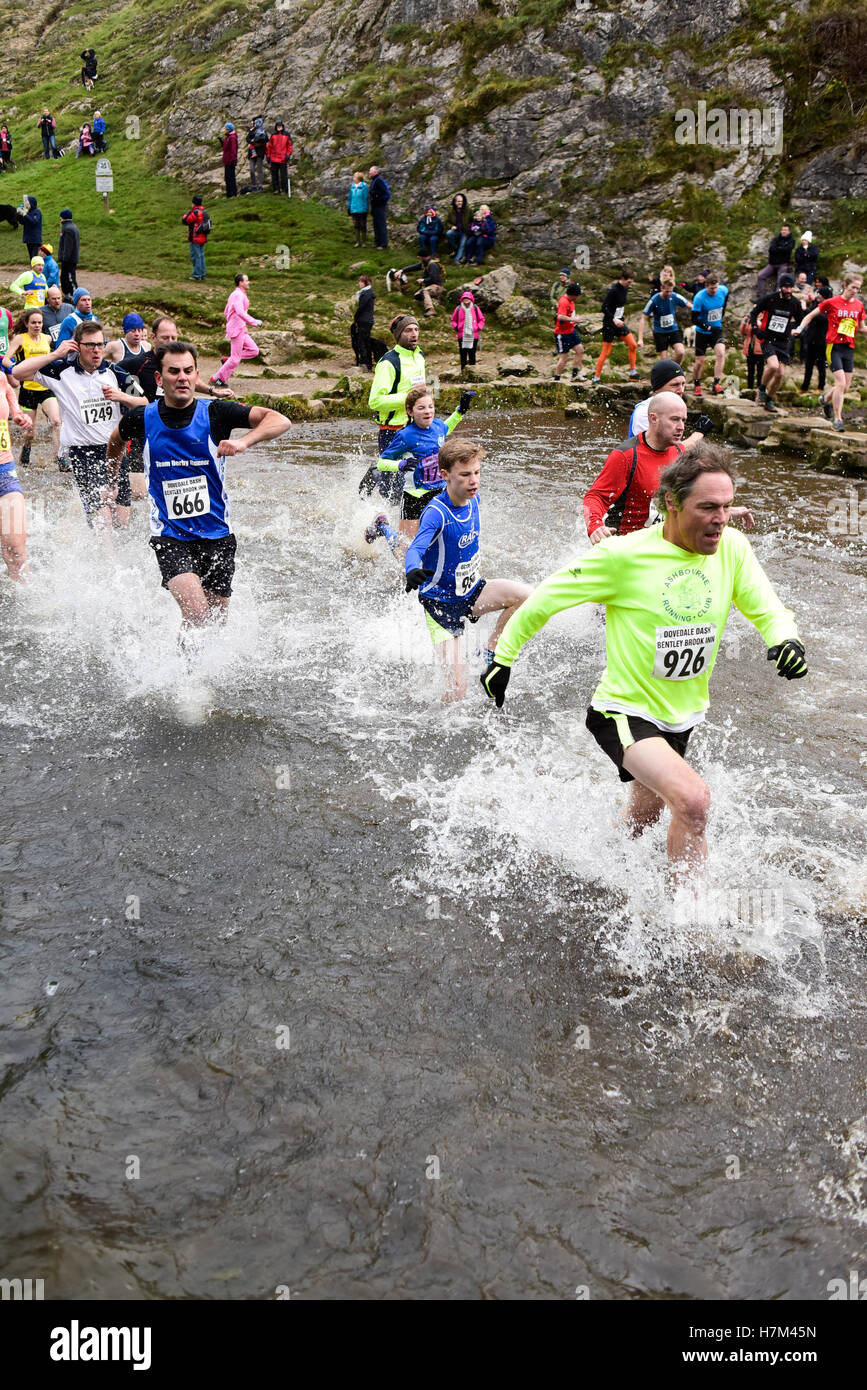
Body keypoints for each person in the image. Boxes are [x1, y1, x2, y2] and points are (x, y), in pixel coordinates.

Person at [481, 444, 807, 880]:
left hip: (682, 714)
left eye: (727, 506)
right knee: (693, 801)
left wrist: (785, 639)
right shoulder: (623, 556)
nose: (721, 519)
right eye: (708, 507)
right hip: (623, 710)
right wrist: (503, 658)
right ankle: (687, 924)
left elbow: (766, 607)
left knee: (643, 820)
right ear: (671, 503)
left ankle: (592, 872)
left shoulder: (732, 548)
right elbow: (544, 600)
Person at [107, 341, 291, 640]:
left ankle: (194, 671)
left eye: (188, 371)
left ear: (195, 376)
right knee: (197, 614)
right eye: (174, 371)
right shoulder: (140, 418)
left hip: (217, 534)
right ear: (159, 378)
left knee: (215, 623)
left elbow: (279, 420)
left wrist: (244, 442)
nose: (182, 377)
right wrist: (113, 479)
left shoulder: (217, 412)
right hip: (170, 535)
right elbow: (115, 442)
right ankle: (188, 686)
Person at [400, 437, 530, 703]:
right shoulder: (436, 512)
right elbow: (415, 548)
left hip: (472, 592)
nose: (474, 481)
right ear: (445, 475)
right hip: (440, 606)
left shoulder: (473, 500)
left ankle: (490, 650)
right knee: (457, 692)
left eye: (477, 473)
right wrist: (412, 568)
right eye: (465, 475)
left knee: (527, 597)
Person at [12, 321, 141, 532]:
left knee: (122, 521)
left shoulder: (115, 373)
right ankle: (104, 561)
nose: (97, 350)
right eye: (90, 345)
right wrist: (55, 354)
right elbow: (17, 372)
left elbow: (146, 402)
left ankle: (119, 562)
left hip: (115, 452)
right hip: (84, 453)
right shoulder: (61, 370)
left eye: (101, 344)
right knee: (103, 521)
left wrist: (122, 396)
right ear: (77, 346)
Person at [367, 385, 476, 544]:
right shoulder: (405, 435)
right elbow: (382, 463)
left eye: (431, 407)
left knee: (441, 541)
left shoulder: (437, 425)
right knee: (406, 549)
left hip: (440, 491)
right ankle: (382, 525)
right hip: (414, 495)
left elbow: (445, 429)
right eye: (421, 408)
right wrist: (401, 464)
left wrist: (460, 411)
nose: (428, 411)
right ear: (410, 411)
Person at [793, 272, 867, 431]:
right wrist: (799, 328)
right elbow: (811, 315)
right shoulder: (832, 302)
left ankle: (825, 399)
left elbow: (861, 328)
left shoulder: (859, 306)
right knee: (840, 383)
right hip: (833, 347)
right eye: (853, 287)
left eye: (858, 288)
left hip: (849, 348)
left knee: (846, 387)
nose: (855, 291)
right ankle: (838, 419)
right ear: (845, 286)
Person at [366, 313, 426, 480]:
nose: (414, 334)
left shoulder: (420, 356)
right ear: (399, 335)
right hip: (391, 431)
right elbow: (375, 401)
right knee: (391, 490)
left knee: (419, 478)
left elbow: (419, 389)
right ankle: (375, 474)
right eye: (408, 330)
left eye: (416, 329)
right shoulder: (388, 363)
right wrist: (409, 397)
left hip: (415, 427)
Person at [2, 306, 62, 467]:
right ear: (27, 324)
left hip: (46, 387)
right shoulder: (20, 339)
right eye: (33, 323)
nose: (37, 326)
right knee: (30, 432)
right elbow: (6, 359)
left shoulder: (47, 339)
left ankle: (61, 457)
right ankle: (26, 451)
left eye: (40, 323)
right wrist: (15, 367)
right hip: (28, 389)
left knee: (56, 421)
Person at [104, 312, 151, 499]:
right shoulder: (116, 346)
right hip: (122, 403)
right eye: (133, 330)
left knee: (141, 442)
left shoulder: (147, 347)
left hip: (141, 402)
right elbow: (99, 360)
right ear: (125, 331)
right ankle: (117, 475)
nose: (137, 334)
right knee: (122, 440)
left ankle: (137, 479)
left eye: (140, 330)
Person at [749, 273, 803, 412]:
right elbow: (754, 312)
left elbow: (800, 321)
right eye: (786, 287)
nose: (788, 290)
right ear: (781, 287)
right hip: (767, 338)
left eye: (791, 288)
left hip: (783, 341)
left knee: (780, 375)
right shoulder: (770, 299)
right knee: (773, 366)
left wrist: (796, 330)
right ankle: (761, 389)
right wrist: (755, 328)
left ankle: (769, 399)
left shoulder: (795, 303)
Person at [0, 373, 33, 580]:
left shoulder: (1, 377)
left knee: (17, 552)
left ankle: (27, 606)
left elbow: (10, 395)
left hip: (4, 470)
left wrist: (18, 414)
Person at [210, 273, 261, 388]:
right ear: (240, 283)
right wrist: (254, 322)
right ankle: (216, 379)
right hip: (237, 329)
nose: (249, 282)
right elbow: (239, 311)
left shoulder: (238, 294)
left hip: (241, 328)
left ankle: (228, 360)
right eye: (247, 280)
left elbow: (226, 310)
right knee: (235, 359)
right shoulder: (237, 295)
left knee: (254, 350)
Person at [593, 270, 639, 383]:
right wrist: (613, 318)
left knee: (633, 344)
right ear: (622, 279)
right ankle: (596, 378)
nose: (630, 285)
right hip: (610, 323)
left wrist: (619, 319)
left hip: (620, 322)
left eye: (631, 283)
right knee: (606, 351)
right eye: (628, 282)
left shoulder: (625, 288)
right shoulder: (613, 290)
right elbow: (604, 307)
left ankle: (633, 373)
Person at [691, 272, 729, 396]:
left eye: (716, 287)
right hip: (702, 331)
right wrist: (707, 326)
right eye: (712, 288)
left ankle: (716, 383)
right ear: (706, 286)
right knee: (699, 361)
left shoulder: (723, 290)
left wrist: (720, 317)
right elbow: (694, 319)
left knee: (721, 353)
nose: (714, 290)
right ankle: (697, 384)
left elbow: (725, 299)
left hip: (716, 329)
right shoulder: (699, 298)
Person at [638, 279, 692, 365]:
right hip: (660, 332)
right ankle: (668, 371)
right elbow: (643, 318)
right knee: (664, 361)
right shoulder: (654, 300)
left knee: (681, 352)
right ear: (661, 288)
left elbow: (690, 305)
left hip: (673, 330)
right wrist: (640, 339)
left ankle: (674, 370)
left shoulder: (674, 296)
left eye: (670, 291)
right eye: (667, 291)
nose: (669, 294)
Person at [798, 286, 829, 396]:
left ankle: (821, 387)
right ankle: (804, 387)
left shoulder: (829, 306)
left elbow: (820, 318)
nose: (817, 295)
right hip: (811, 340)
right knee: (809, 364)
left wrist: (805, 308)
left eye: (819, 294)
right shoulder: (816, 304)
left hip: (822, 341)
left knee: (821, 365)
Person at [553, 280, 585, 381]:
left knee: (580, 350)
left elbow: (570, 314)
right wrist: (573, 319)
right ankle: (556, 379)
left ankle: (574, 375)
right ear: (573, 295)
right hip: (562, 334)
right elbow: (560, 316)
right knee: (564, 357)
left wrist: (575, 318)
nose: (578, 297)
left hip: (571, 331)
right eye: (577, 295)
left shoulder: (571, 301)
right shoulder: (563, 302)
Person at [756, 224, 795, 298]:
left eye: (785, 230)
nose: (783, 231)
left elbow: (787, 250)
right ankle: (760, 295)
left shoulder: (791, 241)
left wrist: (779, 249)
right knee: (760, 276)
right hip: (772, 264)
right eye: (782, 230)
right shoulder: (776, 239)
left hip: (783, 264)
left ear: (789, 231)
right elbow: (771, 249)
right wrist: (781, 249)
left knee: (780, 280)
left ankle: (777, 296)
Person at [451, 290, 485, 373]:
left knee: (472, 354)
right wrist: (456, 327)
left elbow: (481, 319)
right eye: (464, 299)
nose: (466, 301)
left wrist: (478, 327)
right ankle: (463, 372)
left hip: (473, 335)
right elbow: (453, 319)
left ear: (471, 300)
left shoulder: (475, 308)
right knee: (463, 355)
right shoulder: (458, 308)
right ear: (462, 300)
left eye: (468, 299)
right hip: (462, 335)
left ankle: (473, 372)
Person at [182, 196, 209, 281]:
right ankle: (202, 274)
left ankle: (196, 275)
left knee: (195, 256)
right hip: (203, 237)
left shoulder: (195, 212)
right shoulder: (204, 211)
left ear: (194, 203)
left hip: (195, 237)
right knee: (201, 256)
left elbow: (185, 220)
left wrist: (187, 213)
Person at [351, 275, 375, 370]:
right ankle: (367, 362)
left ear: (365, 283)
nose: (359, 283)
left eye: (361, 282)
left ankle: (364, 362)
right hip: (367, 320)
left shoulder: (366, 293)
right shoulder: (368, 293)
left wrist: (355, 316)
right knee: (365, 340)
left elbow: (361, 307)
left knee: (362, 341)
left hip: (364, 320)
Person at [58, 210, 80, 298]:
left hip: (68, 260)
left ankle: (76, 297)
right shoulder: (71, 227)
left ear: (63, 217)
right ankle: (68, 297)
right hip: (69, 259)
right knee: (64, 278)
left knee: (70, 279)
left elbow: (68, 245)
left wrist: (64, 258)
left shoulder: (67, 229)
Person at [266, 121, 292, 195]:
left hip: (283, 159)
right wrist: (268, 155)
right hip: (274, 158)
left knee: (284, 175)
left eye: (280, 126)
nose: (279, 127)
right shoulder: (273, 135)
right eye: (278, 126)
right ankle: (276, 189)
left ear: (282, 126)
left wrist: (288, 155)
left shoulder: (286, 135)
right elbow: (269, 146)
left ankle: (284, 189)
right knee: (274, 175)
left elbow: (289, 146)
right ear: (276, 127)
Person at [369, 167, 390, 249]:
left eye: (370, 171)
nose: (369, 172)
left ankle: (383, 244)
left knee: (381, 224)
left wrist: (374, 194)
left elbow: (383, 191)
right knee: (376, 224)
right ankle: (377, 242)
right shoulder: (375, 180)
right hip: (375, 206)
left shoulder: (378, 180)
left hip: (379, 206)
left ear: (375, 172)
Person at [446, 193, 469, 263]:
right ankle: (455, 248)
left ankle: (457, 260)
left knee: (462, 245)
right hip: (455, 231)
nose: (460, 203)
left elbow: (472, 221)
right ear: (455, 202)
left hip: (465, 232)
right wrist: (451, 226)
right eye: (458, 201)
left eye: (461, 201)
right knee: (448, 233)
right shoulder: (451, 212)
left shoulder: (468, 210)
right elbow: (447, 222)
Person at [246, 117, 268, 191]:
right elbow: (247, 139)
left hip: (260, 152)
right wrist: (253, 141)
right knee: (251, 169)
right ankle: (254, 185)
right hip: (252, 153)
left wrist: (260, 140)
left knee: (259, 169)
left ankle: (260, 185)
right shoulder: (252, 130)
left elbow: (266, 139)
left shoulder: (263, 130)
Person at [347, 172, 369, 246]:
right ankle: (357, 241)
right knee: (356, 225)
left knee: (363, 225)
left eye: (354, 177)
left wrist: (366, 209)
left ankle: (364, 242)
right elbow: (350, 198)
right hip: (354, 209)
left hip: (362, 209)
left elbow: (366, 198)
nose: (353, 178)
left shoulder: (364, 187)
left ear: (358, 179)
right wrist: (349, 207)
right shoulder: (352, 187)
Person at [19, 196, 43, 261]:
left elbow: (33, 222)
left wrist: (25, 214)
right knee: (31, 258)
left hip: (35, 239)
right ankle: (33, 270)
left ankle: (35, 270)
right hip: (28, 238)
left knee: (34, 258)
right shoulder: (27, 211)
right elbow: (22, 222)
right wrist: (20, 214)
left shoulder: (37, 212)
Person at [221, 123, 238, 198]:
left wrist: (233, 160)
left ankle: (232, 193)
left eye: (225, 129)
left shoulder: (232, 138)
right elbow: (226, 147)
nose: (224, 130)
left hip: (230, 161)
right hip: (227, 160)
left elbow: (233, 150)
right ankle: (229, 193)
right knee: (228, 177)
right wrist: (222, 142)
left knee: (230, 177)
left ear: (228, 129)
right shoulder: (228, 137)